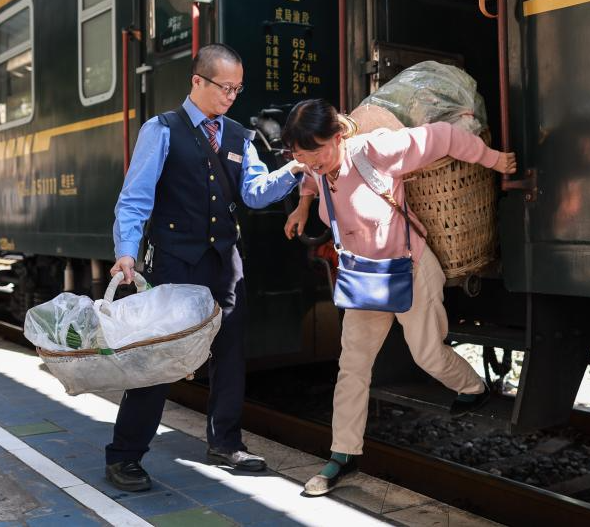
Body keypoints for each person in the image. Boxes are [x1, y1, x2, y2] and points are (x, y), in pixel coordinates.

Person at [281, 98, 516, 496]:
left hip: (409, 270)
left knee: (427, 354)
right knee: (352, 367)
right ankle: (343, 454)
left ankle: (473, 387)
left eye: (317, 151)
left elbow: (442, 137)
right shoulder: (316, 165)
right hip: (363, 279)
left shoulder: (375, 151)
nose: (311, 161)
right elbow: (308, 176)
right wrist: (303, 206)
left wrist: (494, 160)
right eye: (301, 154)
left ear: (338, 137)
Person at [107, 43, 307, 492]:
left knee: (230, 353)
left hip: (225, 261)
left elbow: (254, 194)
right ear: (197, 81)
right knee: (159, 356)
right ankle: (124, 454)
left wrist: (293, 170)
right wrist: (127, 251)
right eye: (225, 87)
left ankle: (225, 443)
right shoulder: (160, 130)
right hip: (176, 259)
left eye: (238, 88)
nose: (232, 96)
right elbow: (135, 199)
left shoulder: (239, 135)